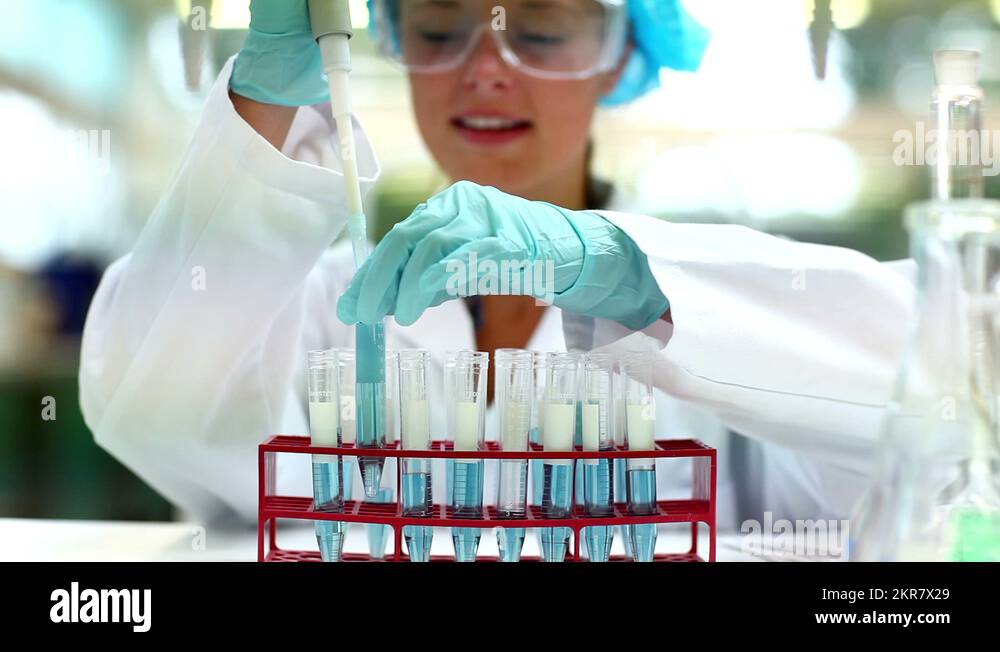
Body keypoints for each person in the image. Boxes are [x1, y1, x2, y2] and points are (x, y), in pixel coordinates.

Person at [80, 0, 914, 529]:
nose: (485, 69)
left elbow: (933, 397)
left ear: (624, 52)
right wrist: (264, 105)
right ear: (387, 37)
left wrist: (629, 278)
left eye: (542, 30)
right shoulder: (319, 304)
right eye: (440, 29)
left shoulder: (718, 311)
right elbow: (148, 409)